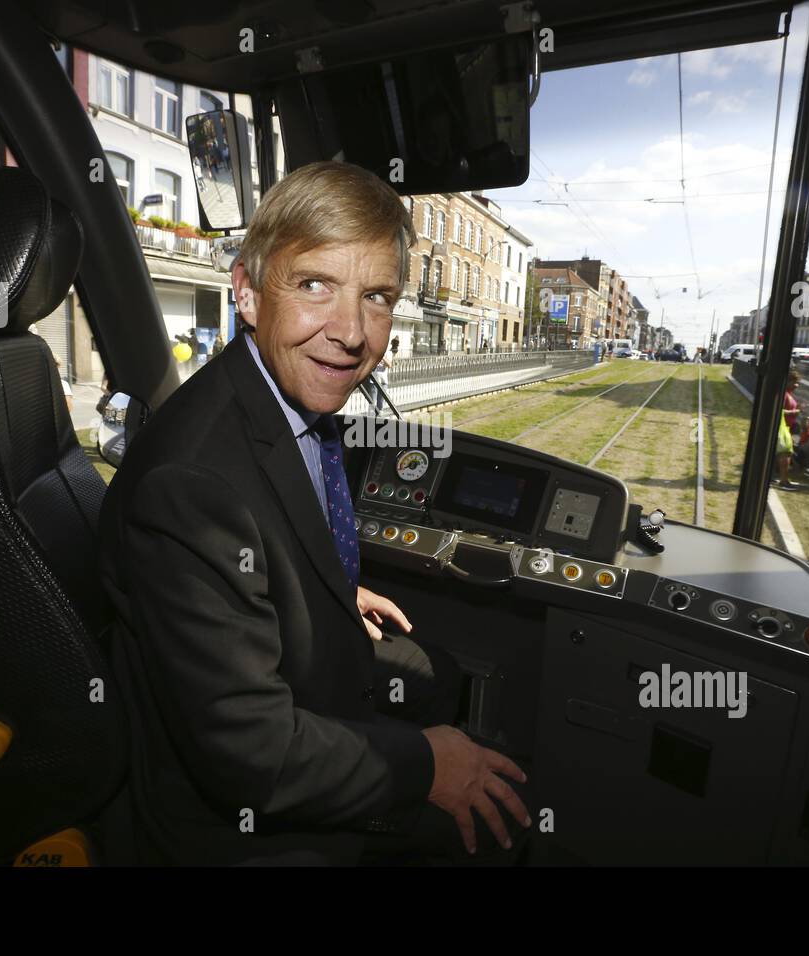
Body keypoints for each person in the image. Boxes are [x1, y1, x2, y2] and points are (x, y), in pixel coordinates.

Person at [98, 161, 530, 866]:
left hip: (293, 688)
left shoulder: (282, 396)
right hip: (232, 821)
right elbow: (252, 754)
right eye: (314, 286)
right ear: (245, 293)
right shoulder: (190, 483)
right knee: (498, 832)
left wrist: (327, 587)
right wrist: (427, 765)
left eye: (377, 296)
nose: (353, 333)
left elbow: (264, 540)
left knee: (441, 673)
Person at [774, 371, 801, 489]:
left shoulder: (788, 394)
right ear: (789, 382)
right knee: (785, 453)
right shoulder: (784, 394)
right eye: (795, 382)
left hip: (786, 427)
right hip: (781, 427)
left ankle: (780, 478)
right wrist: (795, 412)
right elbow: (779, 410)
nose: (797, 385)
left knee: (782, 453)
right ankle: (784, 481)